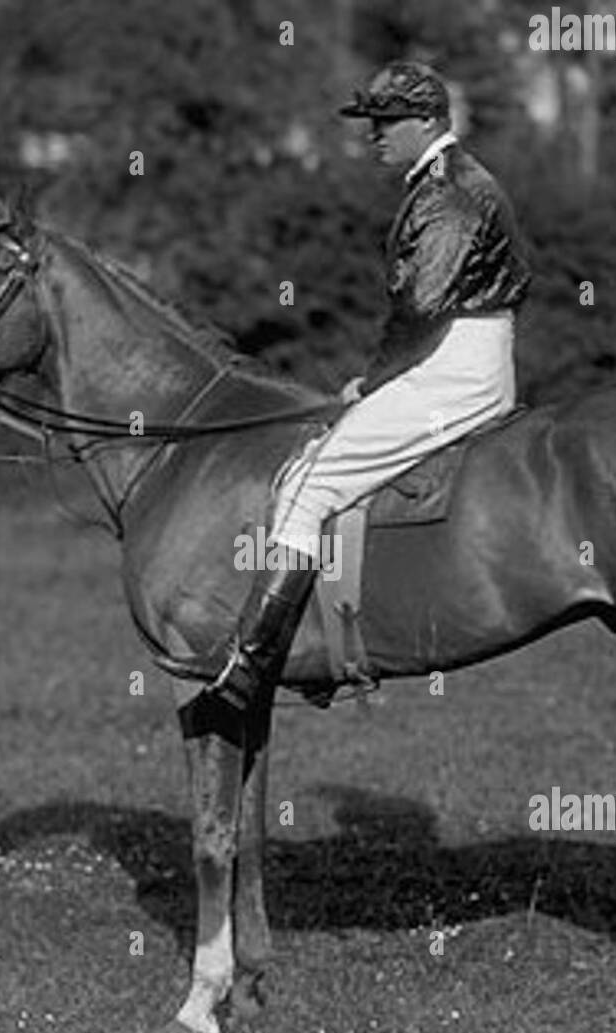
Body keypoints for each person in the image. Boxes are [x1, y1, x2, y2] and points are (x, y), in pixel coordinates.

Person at [199, 60, 531, 710]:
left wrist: (376, 382)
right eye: (371, 120)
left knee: (309, 483)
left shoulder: (447, 191)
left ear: (429, 120)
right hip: (462, 352)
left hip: (452, 363)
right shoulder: (446, 180)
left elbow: (421, 305)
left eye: (388, 120)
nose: (374, 132)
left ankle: (254, 662)